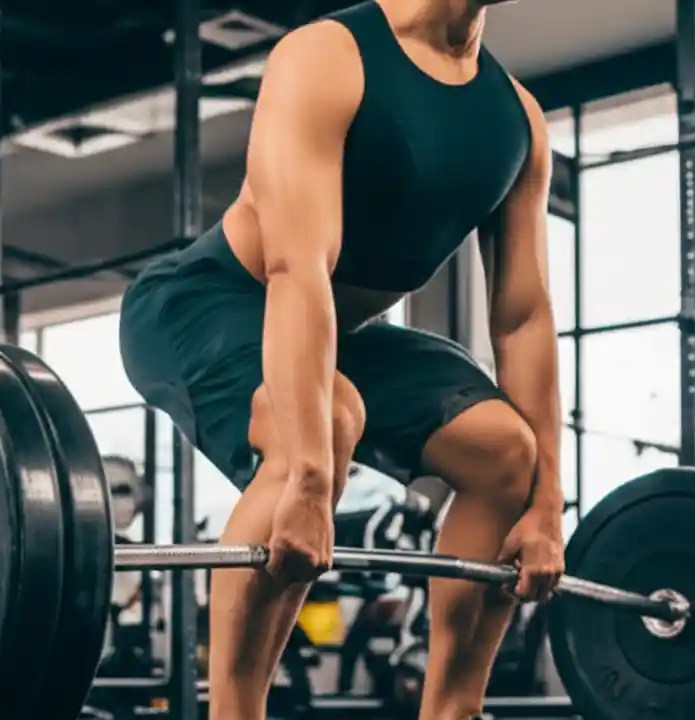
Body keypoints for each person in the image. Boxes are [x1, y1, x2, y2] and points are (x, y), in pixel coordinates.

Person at [119, 0, 563, 717]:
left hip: (339, 332)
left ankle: (453, 709)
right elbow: (298, 269)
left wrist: (547, 507)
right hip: (205, 305)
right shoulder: (325, 57)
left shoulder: (517, 118)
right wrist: (308, 479)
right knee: (325, 419)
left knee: (508, 452)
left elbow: (522, 317)